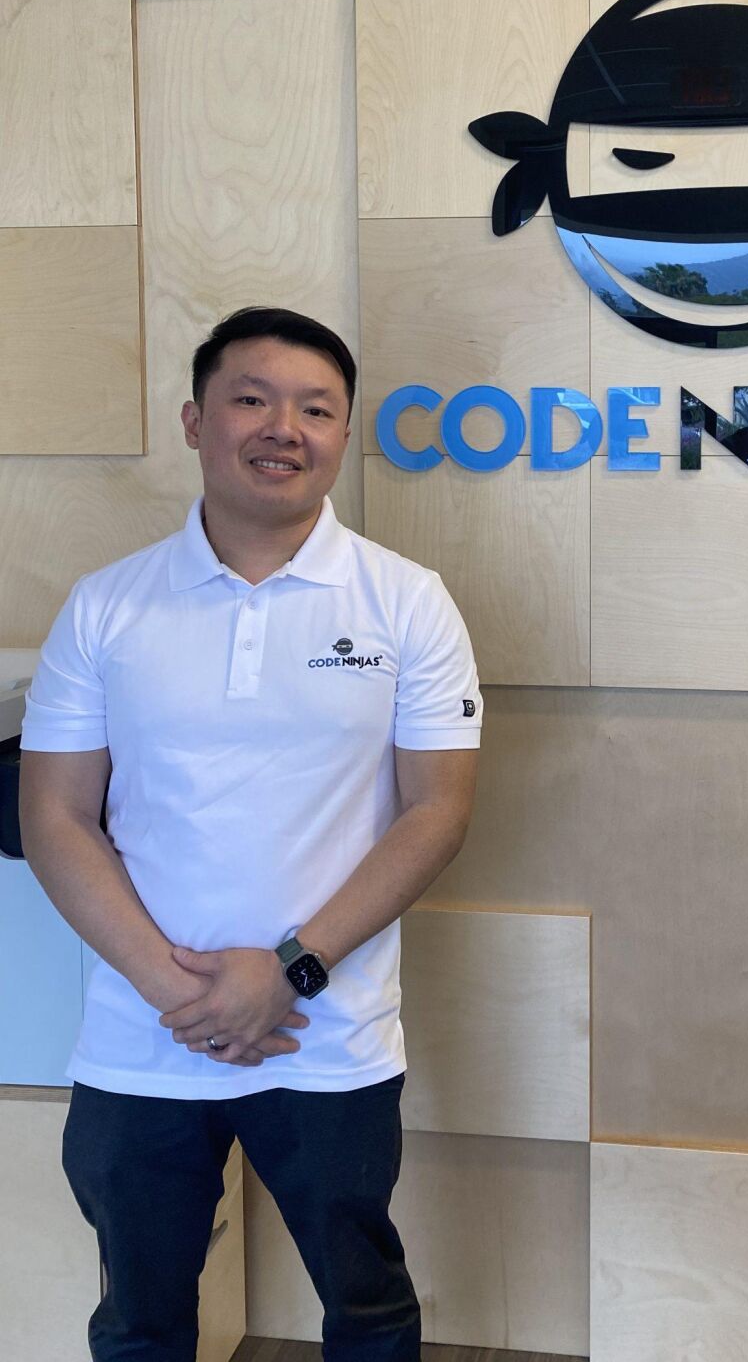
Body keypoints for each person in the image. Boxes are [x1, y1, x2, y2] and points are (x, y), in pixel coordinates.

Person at [19, 306, 481, 1362]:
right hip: (144, 1040)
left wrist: (289, 971)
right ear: (196, 421)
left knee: (366, 1309)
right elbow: (54, 815)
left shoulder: (408, 602)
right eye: (252, 399)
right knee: (138, 1321)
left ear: (344, 433)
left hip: (328, 1033)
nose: (284, 428)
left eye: (316, 409)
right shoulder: (106, 605)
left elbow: (437, 811)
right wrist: (178, 991)